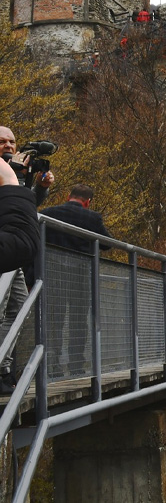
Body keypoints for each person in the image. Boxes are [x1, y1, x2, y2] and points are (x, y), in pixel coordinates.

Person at [40, 183, 113, 378]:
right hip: (80, 274)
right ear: (87, 202)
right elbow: (107, 244)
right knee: (78, 320)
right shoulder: (92, 218)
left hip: (53, 273)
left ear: (68, 196)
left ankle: (53, 366)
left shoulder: (48, 214)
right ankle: (76, 365)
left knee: (54, 319)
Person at [0, 157, 38, 393]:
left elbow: (33, 207)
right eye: (3, 141)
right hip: (9, 239)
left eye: (11, 142)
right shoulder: (7, 171)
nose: (8, 145)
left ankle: (3, 366)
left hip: (13, 253)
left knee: (19, 308)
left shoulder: (16, 171)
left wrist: (38, 186)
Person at [0, 125, 55, 206]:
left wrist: (41, 187)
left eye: (12, 142)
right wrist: (18, 175)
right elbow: (12, 205)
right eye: (1, 142)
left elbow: (27, 205)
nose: (8, 145)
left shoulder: (18, 166)